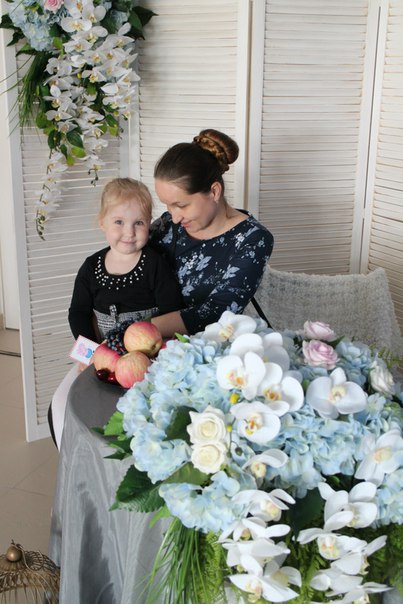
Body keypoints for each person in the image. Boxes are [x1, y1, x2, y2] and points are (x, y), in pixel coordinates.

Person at [49, 178, 183, 448]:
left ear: (148, 223)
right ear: (102, 222)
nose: (129, 232)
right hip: (101, 356)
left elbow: (172, 311)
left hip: (147, 358)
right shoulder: (91, 267)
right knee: (63, 404)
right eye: (119, 222)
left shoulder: (155, 264)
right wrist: (89, 354)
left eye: (139, 223)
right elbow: (77, 313)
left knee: (133, 418)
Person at [148, 128, 274, 338]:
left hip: (206, 349)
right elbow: (124, 258)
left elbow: (217, 311)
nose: (175, 217)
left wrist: (136, 329)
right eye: (167, 205)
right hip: (144, 345)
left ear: (214, 191)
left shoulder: (253, 239)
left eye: (181, 205)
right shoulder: (167, 224)